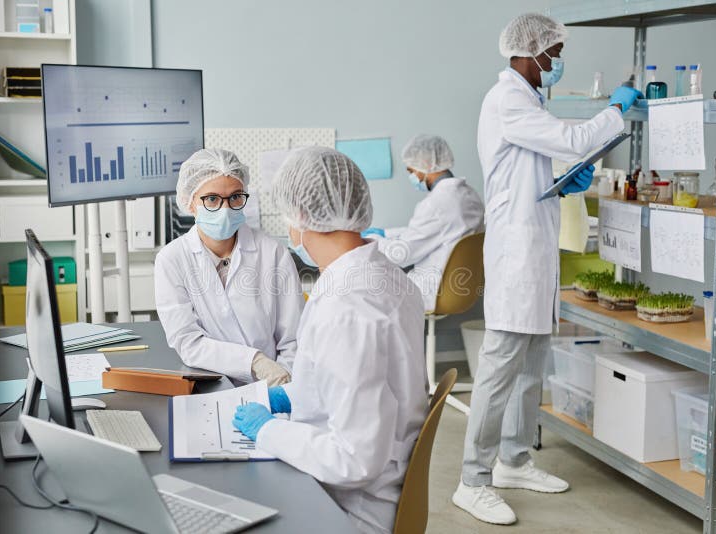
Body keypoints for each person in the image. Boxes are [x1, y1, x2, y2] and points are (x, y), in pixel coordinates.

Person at [452, 13, 642, 525]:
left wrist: (565, 178)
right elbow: (573, 139)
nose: (557, 62)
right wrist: (613, 111)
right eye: (554, 53)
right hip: (516, 253)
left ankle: (514, 459)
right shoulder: (507, 99)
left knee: (531, 359)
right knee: (499, 367)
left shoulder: (527, 100)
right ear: (529, 52)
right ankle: (473, 479)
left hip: (534, 248)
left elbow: (540, 161)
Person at [230, 147, 429, 534]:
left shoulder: (346, 310)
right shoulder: (388, 276)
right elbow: (358, 382)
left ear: (301, 216)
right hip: (380, 481)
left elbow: (353, 459)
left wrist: (269, 431)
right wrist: (298, 394)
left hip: (350, 511)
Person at [154, 148, 304, 386]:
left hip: (276, 389)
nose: (225, 209)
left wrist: (282, 385)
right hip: (210, 390)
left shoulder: (272, 252)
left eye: (235, 197)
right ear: (190, 201)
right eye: (212, 199)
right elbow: (188, 343)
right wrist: (255, 361)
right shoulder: (171, 260)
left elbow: (294, 339)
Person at [363, 134, 485, 311]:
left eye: (412, 171)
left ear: (427, 165)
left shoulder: (436, 203)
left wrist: (372, 240)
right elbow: (437, 230)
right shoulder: (468, 195)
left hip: (433, 290)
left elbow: (401, 255)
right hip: (463, 287)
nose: (413, 176)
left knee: (366, 291)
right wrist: (387, 234)